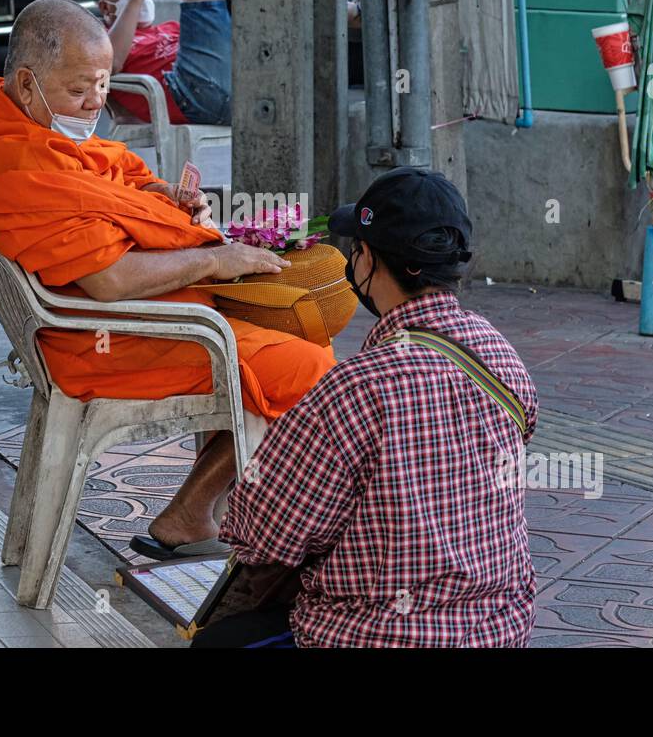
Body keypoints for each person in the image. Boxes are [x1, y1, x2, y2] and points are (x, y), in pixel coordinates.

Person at [0, 0, 335, 557]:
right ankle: (196, 512)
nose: (94, 103)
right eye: (79, 89)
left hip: (136, 318)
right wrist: (211, 258)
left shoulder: (21, 128)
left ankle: (199, 510)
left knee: (301, 331)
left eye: (103, 86)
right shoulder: (14, 164)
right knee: (314, 367)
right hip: (101, 336)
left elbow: (115, 178)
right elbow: (109, 280)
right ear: (28, 84)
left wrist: (169, 202)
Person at [194, 168, 539, 648]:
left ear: (368, 260)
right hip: (498, 629)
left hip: (375, 635)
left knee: (218, 642)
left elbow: (266, 535)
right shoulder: (501, 354)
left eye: (355, 248)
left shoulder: (353, 388)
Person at [100, 0, 233, 126]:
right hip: (193, 95)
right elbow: (110, 65)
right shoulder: (101, 39)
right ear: (104, 7)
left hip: (229, 79)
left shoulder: (169, 28)